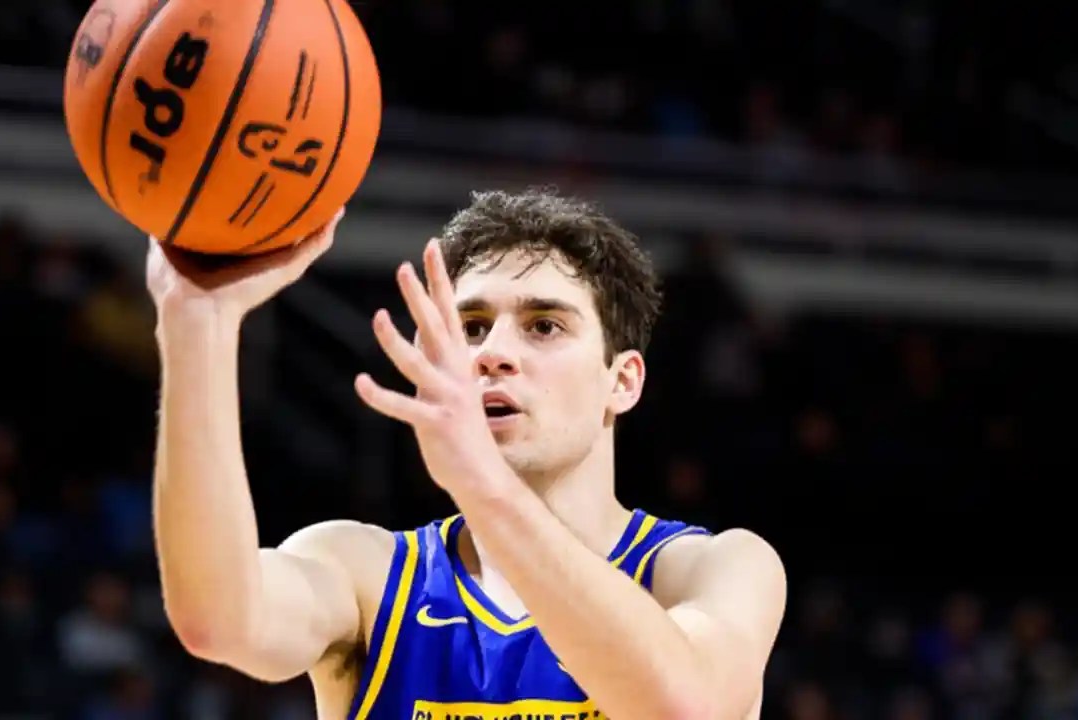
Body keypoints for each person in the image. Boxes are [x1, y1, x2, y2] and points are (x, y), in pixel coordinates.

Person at [147, 188, 788, 719]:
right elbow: (217, 619)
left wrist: (486, 488)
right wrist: (195, 323)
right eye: (472, 327)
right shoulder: (368, 576)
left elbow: (686, 708)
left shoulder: (717, 568)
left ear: (622, 381)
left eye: (544, 326)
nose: (492, 353)